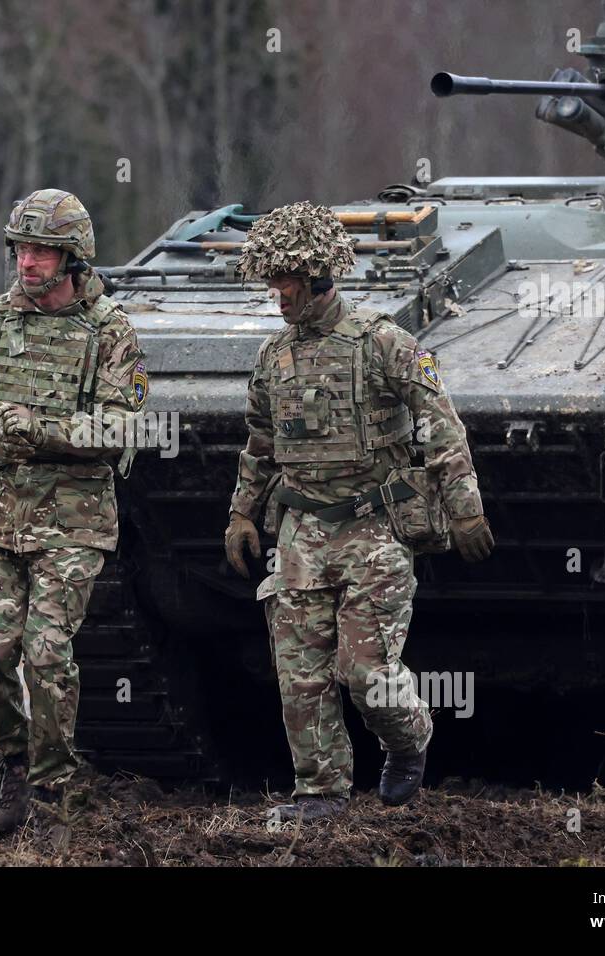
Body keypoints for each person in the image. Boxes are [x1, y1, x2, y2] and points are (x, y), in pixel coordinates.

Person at [223, 201, 493, 821]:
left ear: (318, 275)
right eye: (271, 283)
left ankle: (409, 740)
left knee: (365, 673)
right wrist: (242, 514)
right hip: (300, 532)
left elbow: (440, 423)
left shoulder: (383, 344)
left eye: (285, 282)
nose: (277, 296)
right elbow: (260, 443)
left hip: (374, 528)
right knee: (301, 677)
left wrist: (465, 509)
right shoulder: (272, 357)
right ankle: (320, 793)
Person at [0, 188, 146, 833]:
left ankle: (57, 791)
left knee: (47, 652)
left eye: (43, 251)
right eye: (22, 248)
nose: (28, 262)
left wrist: (42, 431)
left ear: (73, 259)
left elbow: (122, 425)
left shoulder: (111, 333)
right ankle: (17, 766)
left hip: (74, 521)